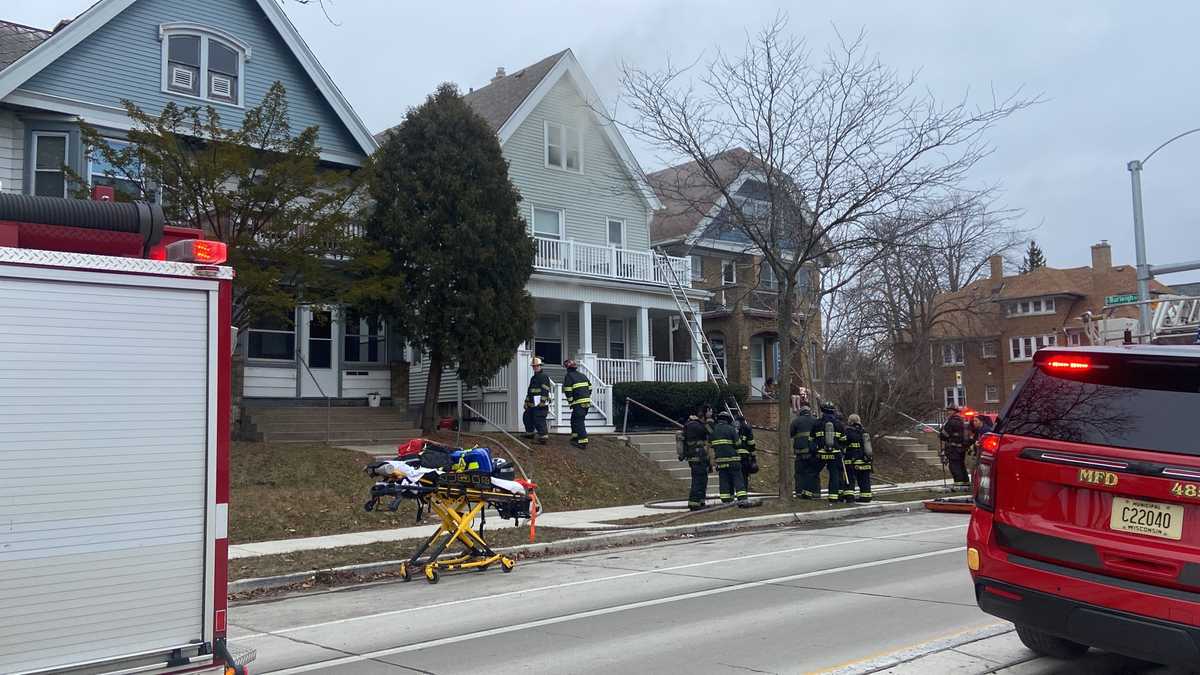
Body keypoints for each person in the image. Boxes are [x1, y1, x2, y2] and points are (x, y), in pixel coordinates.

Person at [812, 401, 854, 502]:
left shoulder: (817, 423)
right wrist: (840, 449)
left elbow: (811, 439)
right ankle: (833, 497)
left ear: (822, 410)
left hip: (820, 453)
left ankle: (811, 494)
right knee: (835, 474)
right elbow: (844, 440)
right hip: (835, 453)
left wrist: (815, 450)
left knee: (812, 472)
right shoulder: (839, 424)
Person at [710, 411, 750, 506]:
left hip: (720, 461)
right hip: (733, 460)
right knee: (738, 479)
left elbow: (711, 444)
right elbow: (738, 443)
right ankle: (742, 499)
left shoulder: (714, 430)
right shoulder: (731, 429)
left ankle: (726, 500)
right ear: (728, 419)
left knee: (724, 481)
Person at [680, 408, 711, 511]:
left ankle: (700, 501)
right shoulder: (698, 425)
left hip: (694, 457)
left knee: (701, 479)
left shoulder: (689, 424)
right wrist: (709, 421)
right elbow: (711, 433)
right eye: (709, 412)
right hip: (698, 457)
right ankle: (694, 503)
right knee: (699, 480)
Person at [789, 403, 820, 499]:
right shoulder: (816, 421)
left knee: (799, 473)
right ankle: (815, 493)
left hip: (800, 453)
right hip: (813, 453)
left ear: (800, 412)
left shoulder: (795, 421)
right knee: (813, 473)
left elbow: (791, 434)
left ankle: (799, 492)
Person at [521, 357, 552, 444]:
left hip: (540, 403)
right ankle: (530, 433)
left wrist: (542, 401)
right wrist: (526, 402)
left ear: (540, 366)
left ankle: (543, 437)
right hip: (532, 403)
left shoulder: (543, 377)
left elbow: (545, 390)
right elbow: (530, 391)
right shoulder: (534, 377)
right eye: (534, 366)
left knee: (539, 419)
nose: (535, 367)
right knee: (527, 416)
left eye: (537, 366)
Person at [562, 359, 591, 449]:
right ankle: (575, 436)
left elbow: (568, 391)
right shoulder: (582, 375)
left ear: (567, 368)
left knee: (579, 421)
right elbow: (590, 387)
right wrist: (586, 396)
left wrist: (571, 402)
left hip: (578, 403)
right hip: (586, 402)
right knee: (574, 419)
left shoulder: (569, 376)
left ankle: (583, 441)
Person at [844, 414, 873, 503]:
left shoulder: (848, 431)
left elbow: (842, 442)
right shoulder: (864, 431)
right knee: (865, 479)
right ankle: (866, 496)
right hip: (865, 460)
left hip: (853, 459)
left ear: (850, 421)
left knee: (850, 478)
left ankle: (849, 497)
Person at [939, 406, 971, 488]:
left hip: (953, 448)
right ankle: (965, 481)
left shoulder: (951, 422)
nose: (948, 412)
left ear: (954, 411)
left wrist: (941, 432)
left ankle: (958, 483)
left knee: (954, 465)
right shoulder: (962, 420)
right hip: (962, 448)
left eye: (949, 411)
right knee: (961, 464)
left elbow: (944, 435)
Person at [736, 414, 757, 493]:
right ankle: (744, 492)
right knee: (744, 475)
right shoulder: (747, 429)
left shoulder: (734, 428)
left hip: (735, 457)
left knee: (737, 476)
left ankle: (739, 492)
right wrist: (754, 458)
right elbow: (751, 443)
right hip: (745, 457)